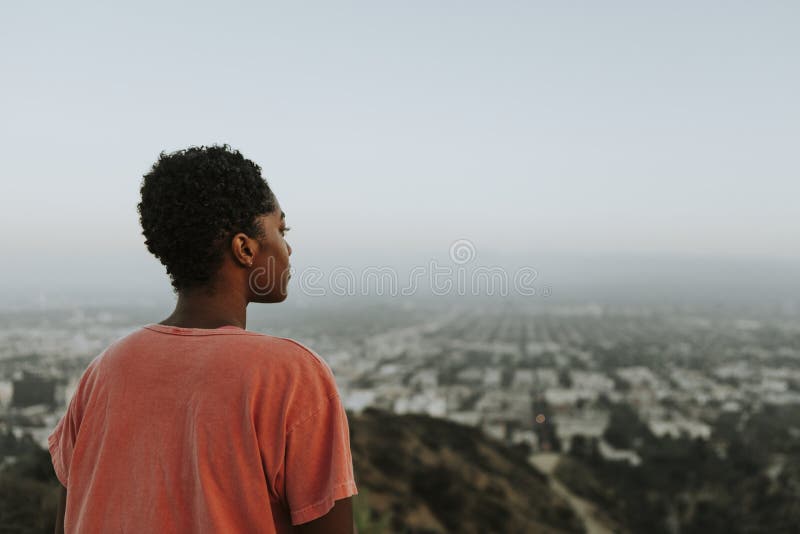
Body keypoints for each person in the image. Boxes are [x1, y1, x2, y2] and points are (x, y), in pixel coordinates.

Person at [48, 145, 358, 533]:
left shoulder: (103, 371)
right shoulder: (291, 376)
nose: (288, 247)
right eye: (281, 230)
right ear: (245, 248)